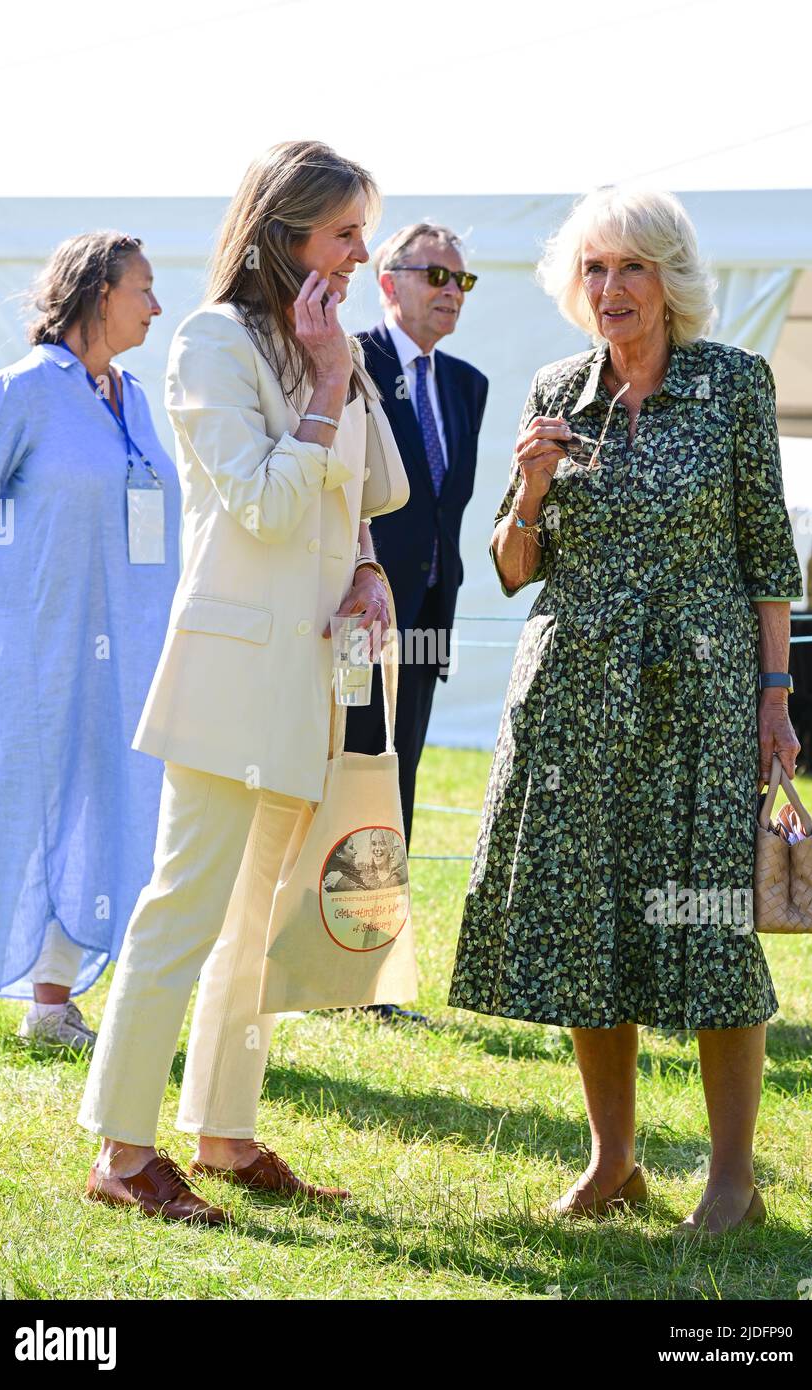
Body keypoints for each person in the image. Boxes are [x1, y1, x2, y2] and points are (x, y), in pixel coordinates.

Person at [447, 187, 803, 1237]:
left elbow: (764, 551)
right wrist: (527, 490)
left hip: (695, 696)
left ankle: (730, 1179)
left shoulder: (731, 383)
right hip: (569, 700)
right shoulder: (557, 389)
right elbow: (513, 570)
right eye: (593, 270)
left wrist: (772, 695)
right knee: (578, 922)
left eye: (631, 269)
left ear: (670, 281)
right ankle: (613, 1161)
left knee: (706, 923)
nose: (610, 290)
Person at [77, 141, 400, 1224]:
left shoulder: (333, 344)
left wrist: (363, 568)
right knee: (184, 912)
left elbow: (368, 488)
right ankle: (124, 1154)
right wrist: (318, 383)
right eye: (345, 234)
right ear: (284, 235)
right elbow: (262, 503)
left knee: (258, 925)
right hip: (224, 676)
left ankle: (222, 1132)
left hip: (308, 675)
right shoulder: (211, 343)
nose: (363, 254)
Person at [0, 233, 178, 1062]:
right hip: (24, 648)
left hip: (119, 653)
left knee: (99, 802)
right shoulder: (19, 390)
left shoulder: (135, 398)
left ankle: (53, 1003)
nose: (157, 307)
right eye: (145, 290)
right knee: (2, 810)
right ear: (98, 294)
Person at [344, 223, 488, 1025]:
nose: (449, 291)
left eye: (462, 281)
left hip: (426, 623)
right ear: (388, 280)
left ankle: (373, 977)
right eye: (435, 274)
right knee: (344, 780)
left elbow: (445, 511)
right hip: (353, 612)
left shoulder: (466, 385)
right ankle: (331, 969)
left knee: (396, 786)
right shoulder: (346, 357)